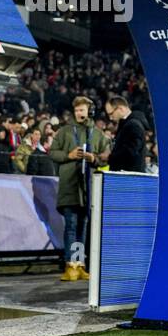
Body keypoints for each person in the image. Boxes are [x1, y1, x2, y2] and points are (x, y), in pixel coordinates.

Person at [48, 95, 110, 281]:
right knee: (72, 225)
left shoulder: (98, 133)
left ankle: (79, 265)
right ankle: (70, 264)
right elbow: (52, 153)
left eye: (82, 110)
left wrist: (94, 159)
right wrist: (69, 154)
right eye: (76, 110)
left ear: (90, 111)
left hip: (88, 187)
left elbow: (106, 156)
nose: (79, 113)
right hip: (70, 185)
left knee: (83, 226)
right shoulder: (65, 131)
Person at [104, 95, 147, 173]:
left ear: (121, 108)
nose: (110, 118)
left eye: (111, 113)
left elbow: (130, 152)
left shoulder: (133, 125)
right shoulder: (127, 124)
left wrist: (109, 157)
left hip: (128, 179)